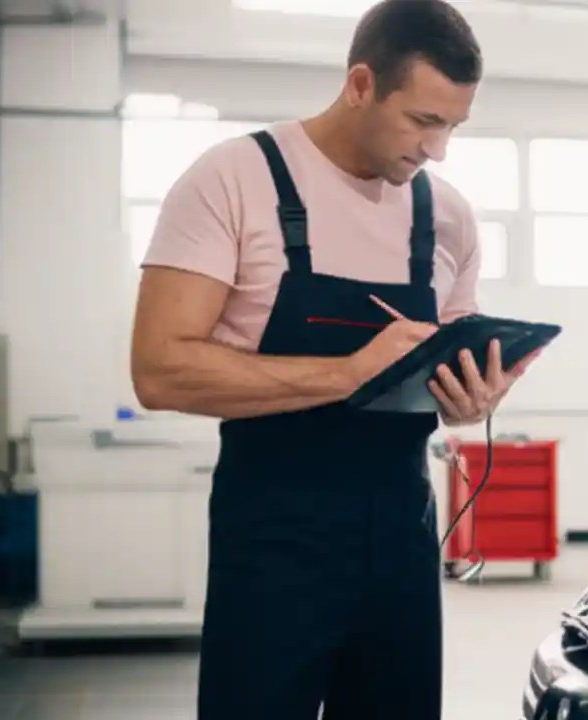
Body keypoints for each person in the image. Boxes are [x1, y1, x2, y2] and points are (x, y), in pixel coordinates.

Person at [129, 1, 539, 716]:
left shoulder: (446, 215)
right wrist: (350, 373)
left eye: (453, 126)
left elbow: (451, 369)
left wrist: (474, 397)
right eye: (423, 121)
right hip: (273, 533)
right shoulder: (233, 178)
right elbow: (158, 370)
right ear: (359, 85)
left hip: (403, 532)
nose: (437, 149)